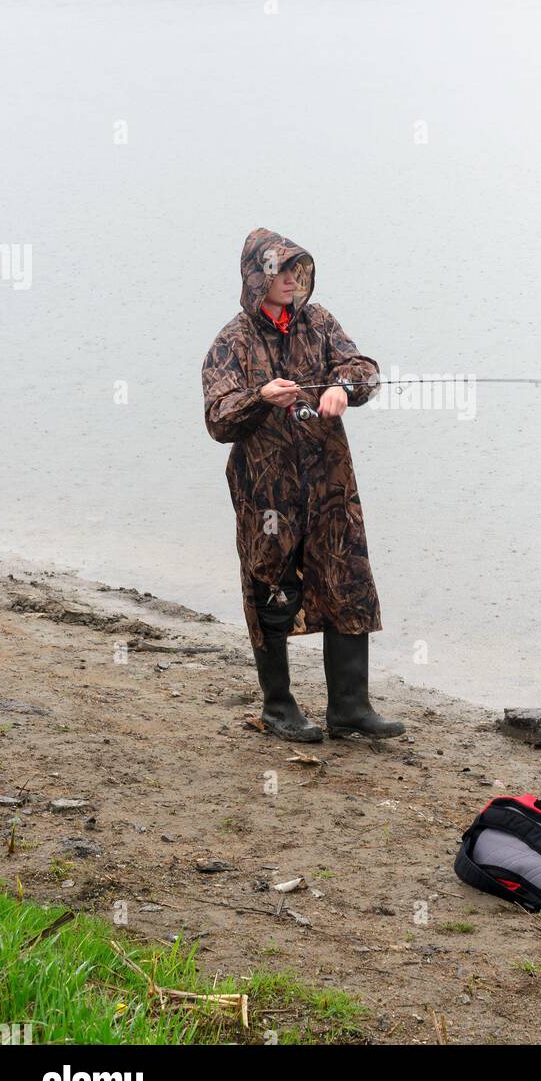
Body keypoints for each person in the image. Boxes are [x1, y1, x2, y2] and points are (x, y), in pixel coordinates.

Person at [201, 227, 405, 743]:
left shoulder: (320, 322)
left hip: (330, 481)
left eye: (299, 270)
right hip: (266, 491)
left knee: (347, 579)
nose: (293, 279)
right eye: (282, 271)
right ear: (256, 278)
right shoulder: (232, 342)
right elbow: (218, 420)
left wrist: (344, 387)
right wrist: (260, 396)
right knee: (273, 588)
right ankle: (278, 707)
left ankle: (350, 708)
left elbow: (364, 368)